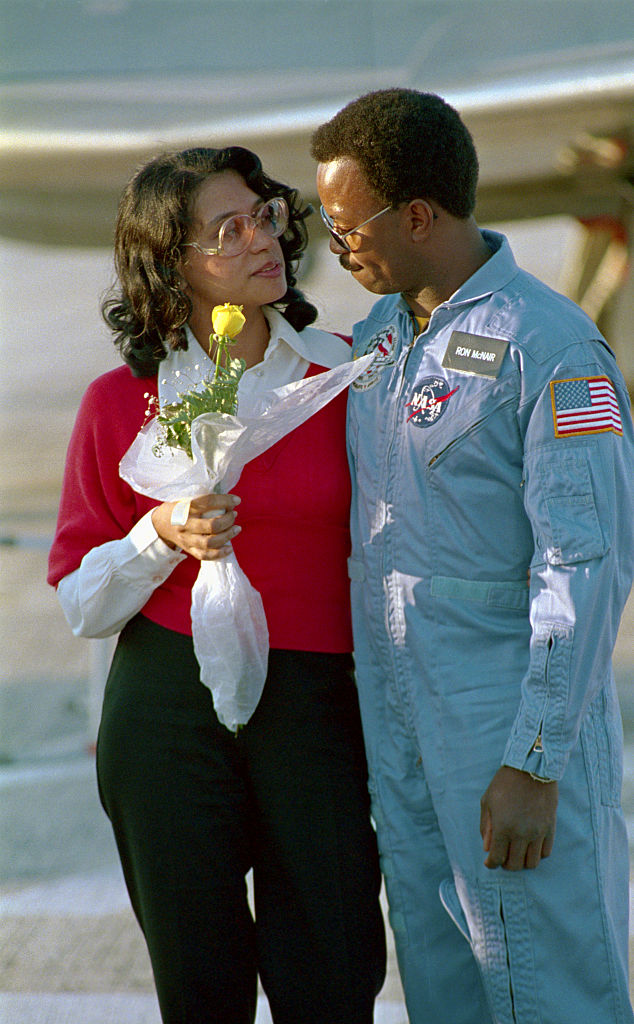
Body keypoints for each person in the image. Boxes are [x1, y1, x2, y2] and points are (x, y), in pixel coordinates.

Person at [312, 89, 634, 1024]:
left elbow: (586, 562)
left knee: (551, 986)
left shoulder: (553, 348)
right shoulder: (376, 341)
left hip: (507, 730)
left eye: (347, 228)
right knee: (443, 982)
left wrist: (536, 760)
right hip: (404, 729)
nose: (340, 249)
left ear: (417, 216)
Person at [47, 145, 385, 1024]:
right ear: (173, 264)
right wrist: (160, 533)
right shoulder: (121, 402)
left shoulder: (346, 376)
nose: (262, 238)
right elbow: (81, 601)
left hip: (316, 704)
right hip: (165, 710)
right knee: (201, 994)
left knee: (334, 977)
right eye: (226, 230)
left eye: (264, 214)